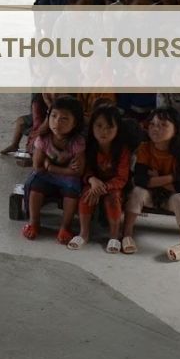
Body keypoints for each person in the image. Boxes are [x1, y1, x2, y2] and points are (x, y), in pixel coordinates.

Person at [122, 108, 180, 261]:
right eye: (153, 124)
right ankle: (127, 234)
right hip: (151, 195)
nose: (155, 128)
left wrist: (158, 179)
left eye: (163, 125)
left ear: (176, 130)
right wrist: (174, 177)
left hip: (171, 198)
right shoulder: (144, 148)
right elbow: (141, 180)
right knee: (137, 192)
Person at [22, 96, 86, 244]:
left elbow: (78, 171)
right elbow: (37, 166)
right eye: (54, 116)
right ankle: (34, 222)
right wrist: (61, 169)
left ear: (75, 123)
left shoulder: (77, 142)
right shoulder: (43, 139)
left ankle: (65, 227)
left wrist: (51, 167)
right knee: (36, 183)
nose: (57, 122)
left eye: (64, 119)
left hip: (67, 179)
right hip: (47, 176)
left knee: (72, 190)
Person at [69, 103, 133, 253]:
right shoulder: (88, 146)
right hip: (93, 184)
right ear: (92, 127)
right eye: (99, 125)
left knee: (113, 197)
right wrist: (92, 180)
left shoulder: (123, 150)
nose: (103, 131)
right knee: (87, 194)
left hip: (115, 186)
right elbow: (85, 169)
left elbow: (122, 178)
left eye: (110, 127)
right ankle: (84, 233)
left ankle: (114, 235)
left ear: (118, 129)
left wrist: (103, 187)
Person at [0, 92, 50, 160]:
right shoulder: (38, 100)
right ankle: (14, 145)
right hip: (42, 115)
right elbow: (37, 120)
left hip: (50, 119)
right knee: (20, 121)